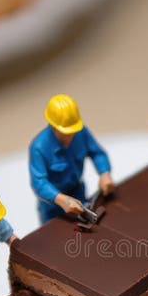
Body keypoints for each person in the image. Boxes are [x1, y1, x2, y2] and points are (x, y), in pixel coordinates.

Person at [29, 93, 114, 223]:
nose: (71, 135)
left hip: (78, 191)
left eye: (73, 130)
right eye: (66, 131)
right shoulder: (39, 148)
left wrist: (105, 173)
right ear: (53, 125)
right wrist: (60, 199)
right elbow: (39, 182)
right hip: (52, 203)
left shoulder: (81, 131)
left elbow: (97, 153)